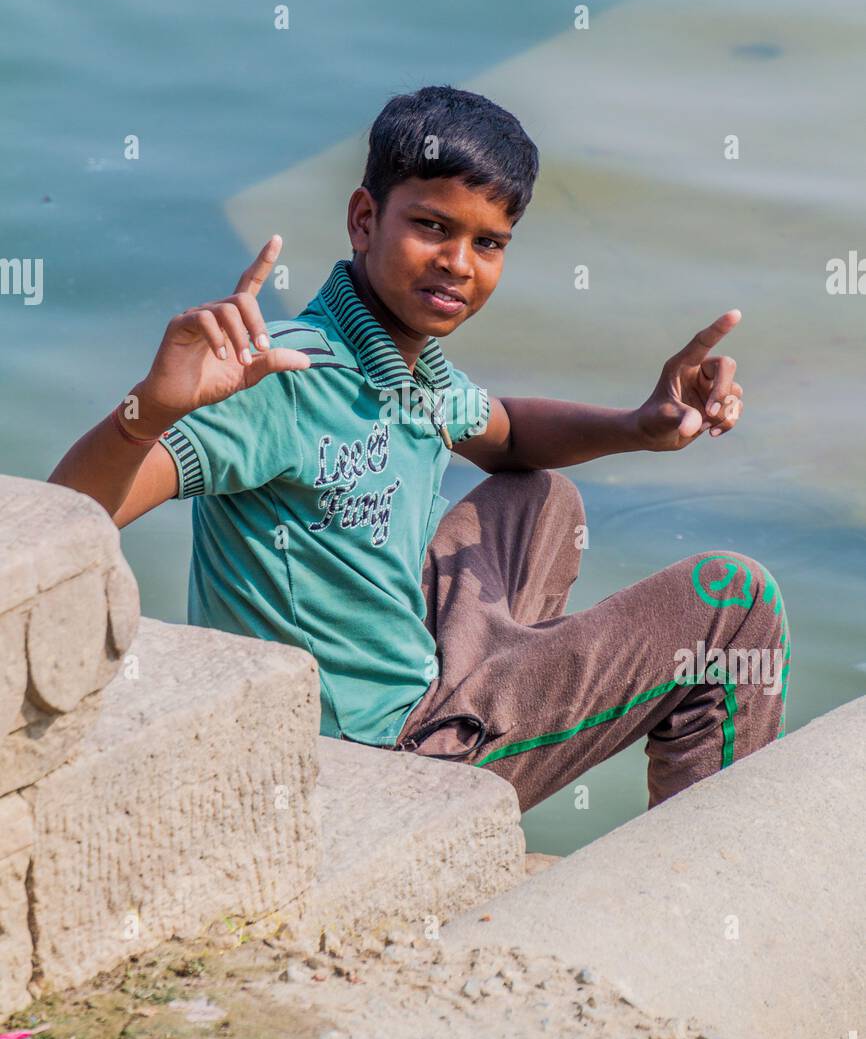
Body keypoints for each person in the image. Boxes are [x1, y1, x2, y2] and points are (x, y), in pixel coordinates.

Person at [49, 85, 790, 813]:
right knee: (735, 604)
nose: (459, 263)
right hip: (364, 762)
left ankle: (493, 686)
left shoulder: (405, 364)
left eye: (488, 243)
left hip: (417, 683)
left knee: (540, 496)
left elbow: (505, 433)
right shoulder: (281, 379)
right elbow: (72, 516)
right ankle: (708, 867)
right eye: (433, 227)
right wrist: (147, 412)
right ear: (364, 220)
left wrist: (639, 425)